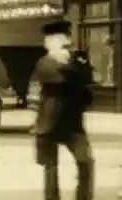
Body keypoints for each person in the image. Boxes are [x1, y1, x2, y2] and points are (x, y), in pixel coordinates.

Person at [30, 19, 94, 200]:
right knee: (51, 168)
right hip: (50, 122)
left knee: (85, 162)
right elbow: (56, 79)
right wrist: (69, 63)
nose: (47, 43)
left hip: (73, 123)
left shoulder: (77, 60)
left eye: (51, 39)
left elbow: (86, 84)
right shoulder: (45, 63)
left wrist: (76, 62)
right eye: (48, 40)